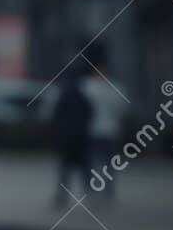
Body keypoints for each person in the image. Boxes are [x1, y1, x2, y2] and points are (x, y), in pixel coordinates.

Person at [82, 48, 127, 203]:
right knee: (94, 163)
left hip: (106, 131)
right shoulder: (90, 86)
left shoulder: (90, 87)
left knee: (106, 163)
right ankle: (96, 189)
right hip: (95, 131)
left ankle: (106, 190)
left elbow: (121, 108)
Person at [51, 73, 91, 206]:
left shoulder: (63, 98)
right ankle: (90, 192)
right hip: (80, 139)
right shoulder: (83, 99)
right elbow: (89, 115)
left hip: (67, 140)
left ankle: (62, 196)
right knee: (84, 169)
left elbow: (56, 117)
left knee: (65, 170)